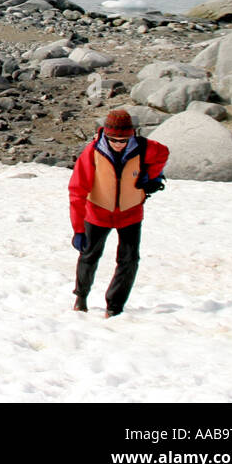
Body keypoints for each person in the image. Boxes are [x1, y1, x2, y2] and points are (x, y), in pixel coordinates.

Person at [69, 109, 169, 317]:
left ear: (131, 135)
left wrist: (150, 175)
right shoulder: (92, 152)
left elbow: (163, 153)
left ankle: (114, 306)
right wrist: (78, 230)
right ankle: (81, 297)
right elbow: (77, 191)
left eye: (123, 140)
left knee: (129, 261)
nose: (118, 144)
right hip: (97, 214)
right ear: (105, 134)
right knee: (88, 256)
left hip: (131, 214)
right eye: (113, 139)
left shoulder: (143, 148)